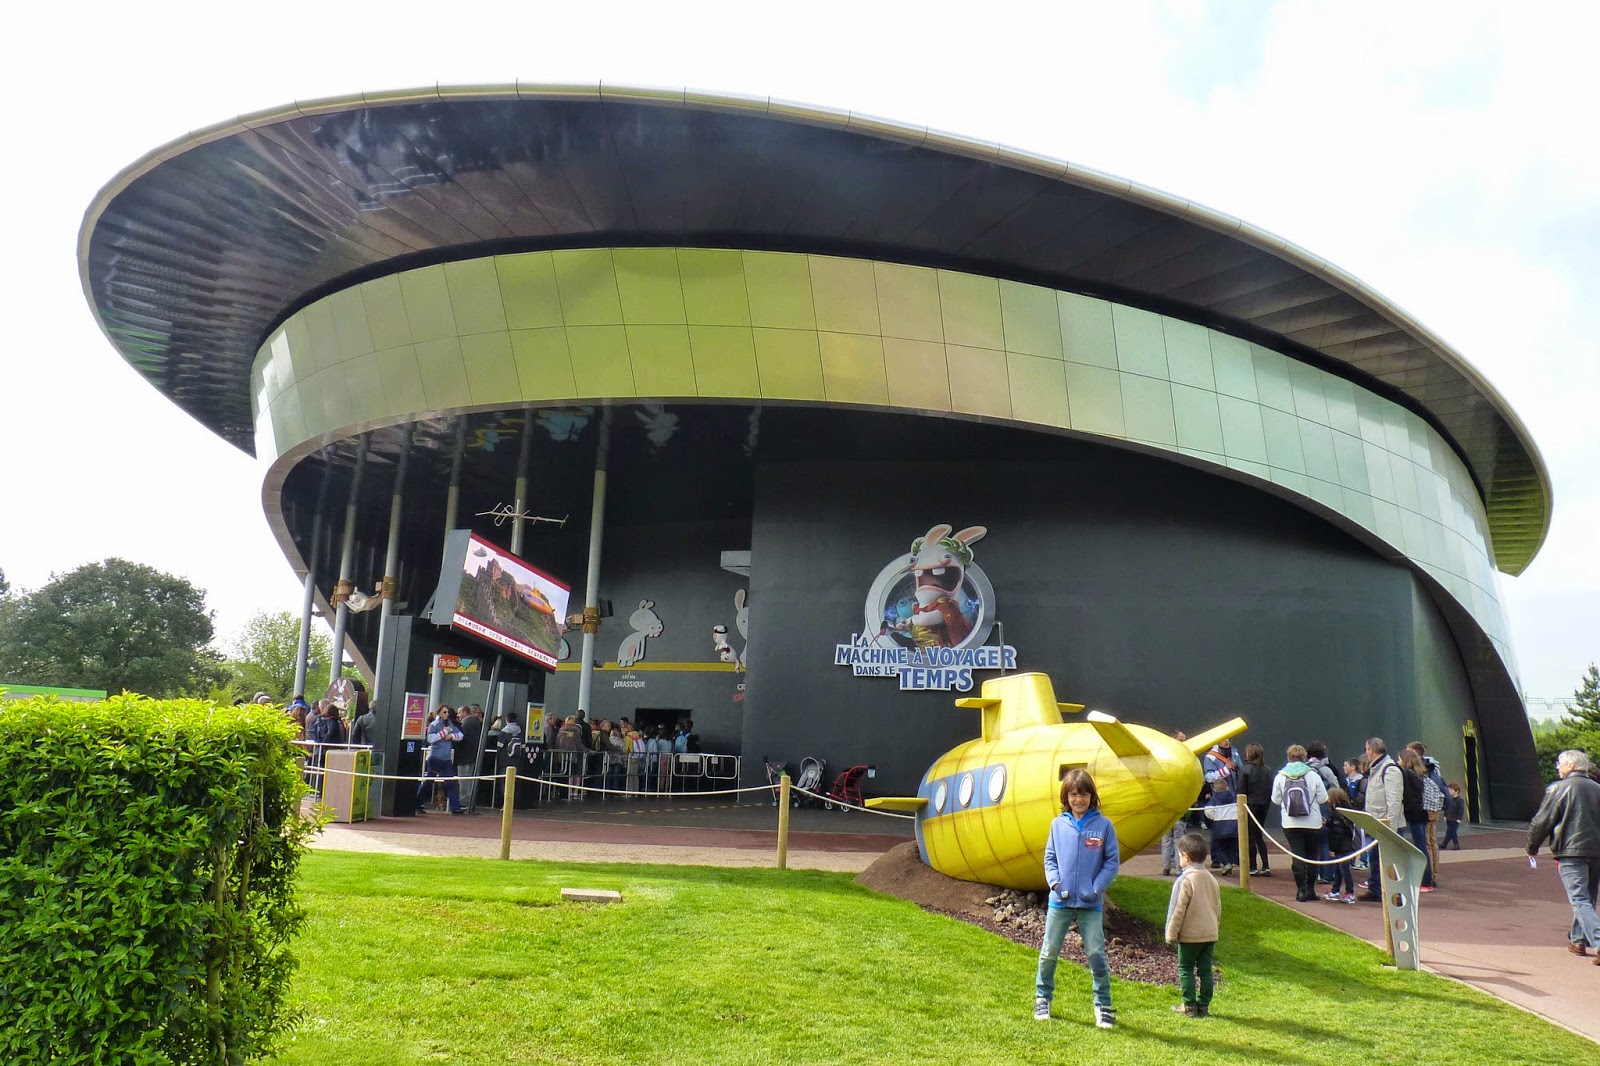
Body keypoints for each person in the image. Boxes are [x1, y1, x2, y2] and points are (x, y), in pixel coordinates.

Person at [1033, 769, 1119, 1030]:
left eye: (1083, 794)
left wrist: (1096, 888)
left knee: (1096, 954)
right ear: (1066, 797)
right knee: (1049, 952)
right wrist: (1055, 883)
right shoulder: (1058, 825)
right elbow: (1050, 858)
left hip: (1090, 903)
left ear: (1091, 796)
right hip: (1060, 901)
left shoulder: (1104, 826)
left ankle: (1103, 1006)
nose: (1078, 799)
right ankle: (1042, 998)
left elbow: (1111, 861)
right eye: (1073, 794)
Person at [1526, 750, 1600, 963]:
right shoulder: (1597, 789)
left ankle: (1596, 940)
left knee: (1579, 899)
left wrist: (1532, 846)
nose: (1557, 767)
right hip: (1595, 852)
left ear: (1570, 765)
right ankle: (1578, 940)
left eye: (1559, 763)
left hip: (1570, 851)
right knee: (1588, 897)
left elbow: (1542, 821)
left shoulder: (1558, 789)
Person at [1165, 831, 1221, 1018]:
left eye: (1179, 855)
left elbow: (1177, 910)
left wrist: (1171, 934)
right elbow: (1217, 908)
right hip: (1210, 934)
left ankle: (1189, 1005)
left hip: (1190, 935)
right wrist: (1215, 928)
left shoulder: (1185, 880)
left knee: (1186, 968)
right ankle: (1203, 1005)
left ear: (1185, 857)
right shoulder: (1212, 879)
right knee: (1205, 970)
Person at [1271, 744, 1328, 903]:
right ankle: (1310, 890)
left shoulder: (1281, 776)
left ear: (1288, 757)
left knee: (1297, 854)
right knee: (1312, 855)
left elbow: (1275, 800)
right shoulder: (1313, 774)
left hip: (1290, 822)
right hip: (1312, 821)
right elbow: (1323, 798)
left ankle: (1300, 891)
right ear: (1304, 758)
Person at [1359, 738, 1404, 901]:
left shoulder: (1390, 770)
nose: (1366, 753)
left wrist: (1390, 828)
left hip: (1385, 825)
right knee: (1374, 859)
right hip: (1374, 823)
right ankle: (1375, 889)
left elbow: (1394, 801)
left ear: (1371, 750)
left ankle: (1397, 893)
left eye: (1366, 749)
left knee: (1392, 862)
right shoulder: (1376, 769)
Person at [1397, 749, 1436, 891]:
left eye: (1399, 759)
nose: (1398, 761)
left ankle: (1426, 881)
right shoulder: (1420, 774)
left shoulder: (1409, 775)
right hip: (1422, 814)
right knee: (1422, 846)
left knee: (1421, 847)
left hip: (1416, 815)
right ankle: (1426, 880)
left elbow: (1412, 799)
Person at [414, 706, 464, 815]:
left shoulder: (450, 724)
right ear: (439, 713)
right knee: (429, 781)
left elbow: (461, 735)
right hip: (435, 757)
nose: (447, 714)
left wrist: (451, 735)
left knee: (450, 782)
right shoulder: (434, 725)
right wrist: (443, 733)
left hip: (446, 758)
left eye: (448, 712)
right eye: (444, 712)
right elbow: (430, 739)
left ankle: (455, 807)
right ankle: (417, 802)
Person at [1237, 742, 1273, 877]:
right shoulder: (1267, 770)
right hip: (1263, 805)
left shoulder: (1245, 770)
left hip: (1249, 805)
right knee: (1259, 835)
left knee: (1250, 836)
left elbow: (1241, 791)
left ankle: (1252, 866)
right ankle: (1266, 865)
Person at [1322, 787, 1358, 903]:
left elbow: (1338, 833)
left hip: (1343, 846)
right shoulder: (1343, 812)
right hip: (1343, 845)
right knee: (1338, 869)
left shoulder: (1337, 815)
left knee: (1344, 869)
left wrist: (1333, 848)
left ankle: (1350, 892)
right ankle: (1335, 890)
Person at [1203, 776, 1239, 874]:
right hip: (1233, 825)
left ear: (1214, 789)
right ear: (1227, 787)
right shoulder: (1234, 798)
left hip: (1219, 826)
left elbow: (1208, 812)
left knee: (1218, 848)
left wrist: (1213, 817)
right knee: (1232, 847)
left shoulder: (1214, 800)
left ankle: (1226, 863)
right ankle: (1230, 863)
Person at [455, 705, 485, 808]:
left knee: (464, 780)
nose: (458, 715)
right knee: (469, 779)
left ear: (464, 712)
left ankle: (464, 802)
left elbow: (462, 739)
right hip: (472, 755)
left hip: (464, 756)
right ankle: (469, 800)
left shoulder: (466, 724)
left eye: (459, 713)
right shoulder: (476, 723)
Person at [1442, 783, 1466, 849]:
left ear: (1456, 791)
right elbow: (1446, 808)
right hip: (1449, 818)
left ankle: (1450, 843)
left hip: (1455, 819)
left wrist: (1459, 818)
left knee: (1451, 832)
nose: (1449, 792)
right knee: (1451, 832)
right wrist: (1445, 815)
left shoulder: (1460, 801)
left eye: (1451, 790)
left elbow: (1461, 810)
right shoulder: (1449, 799)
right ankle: (1449, 843)